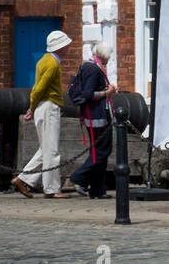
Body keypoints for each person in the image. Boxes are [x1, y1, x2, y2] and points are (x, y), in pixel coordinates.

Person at [12, 30, 72, 198]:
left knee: (45, 149)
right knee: (52, 151)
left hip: (42, 108)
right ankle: (52, 189)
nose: (68, 48)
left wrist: (33, 108)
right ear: (60, 47)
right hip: (49, 108)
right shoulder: (53, 64)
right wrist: (31, 107)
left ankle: (23, 179)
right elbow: (39, 88)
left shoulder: (43, 61)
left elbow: (37, 86)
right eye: (66, 45)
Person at [68, 41, 118, 199]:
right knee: (101, 152)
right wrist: (107, 92)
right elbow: (89, 95)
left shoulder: (94, 67)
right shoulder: (93, 69)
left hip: (99, 116)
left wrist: (106, 90)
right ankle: (78, 178)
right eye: (108, 56)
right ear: (103, 55)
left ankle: (97, 189)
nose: (109, 59)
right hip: (96, 117)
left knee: (100, 152)